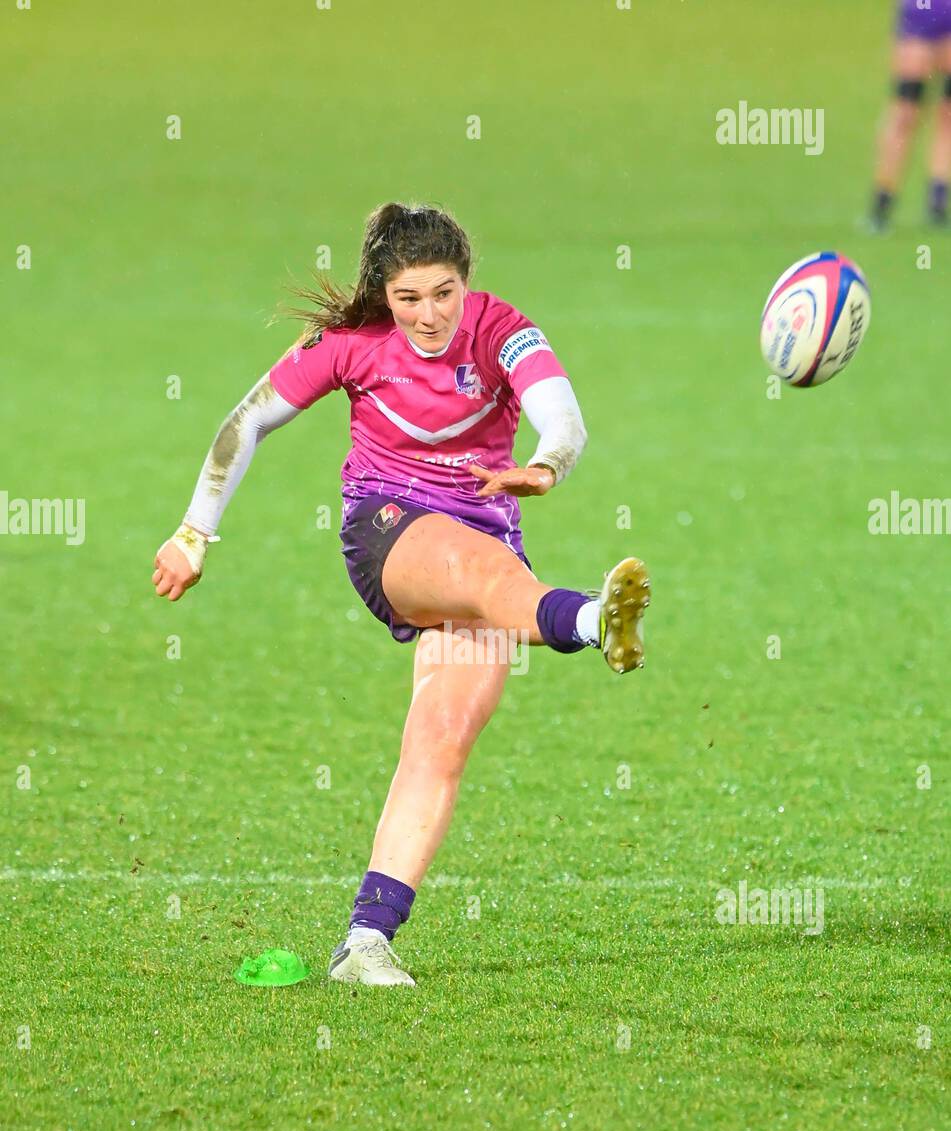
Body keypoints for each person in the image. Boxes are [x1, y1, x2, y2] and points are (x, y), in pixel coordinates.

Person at [152, 202, 650, 988]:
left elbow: (562, 412)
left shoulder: (501, 328)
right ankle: (593, 619)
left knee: (441, 740)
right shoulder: (351, 343)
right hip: (388, 531)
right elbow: (243, 424)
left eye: (443, 293)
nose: (427, 315)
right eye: (408, 297)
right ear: (384, 290)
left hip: (489, 540)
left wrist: (546, 464)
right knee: (492, 584)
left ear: (466, 282)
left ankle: (364, 942)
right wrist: (193, 532)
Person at [867, 0, 951, 231]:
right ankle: (882, 201)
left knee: (948, 111)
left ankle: (938, 199)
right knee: (905, 111)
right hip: (920, 15)